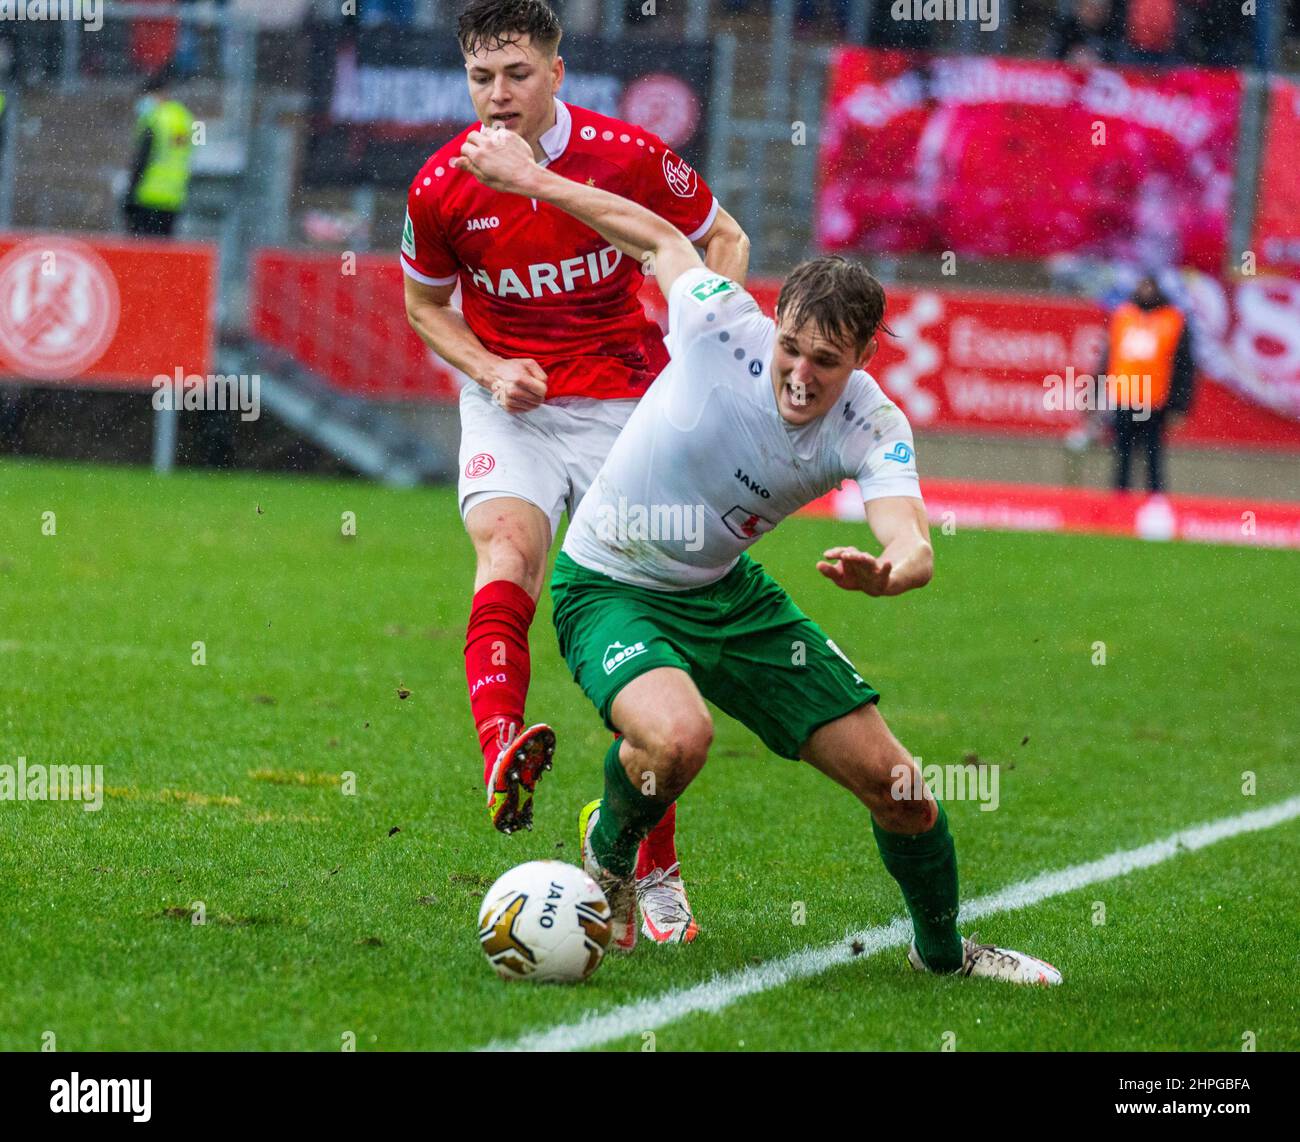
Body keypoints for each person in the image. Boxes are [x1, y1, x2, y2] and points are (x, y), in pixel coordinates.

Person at [451, 124, 1062, 984]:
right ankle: (611, 853)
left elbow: (910, 534)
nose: (801, 375)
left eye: (827, 361)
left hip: (731, 598)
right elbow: (657, 236)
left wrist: (894, 572)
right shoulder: (717, 324)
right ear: (772, 327)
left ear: (864, 357)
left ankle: (943, 957)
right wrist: (530, 179)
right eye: (792, 348)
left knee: (902, 792)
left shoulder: (872, 422)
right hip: (609, 585)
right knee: (679, 739)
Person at [402, 0, 750, 943]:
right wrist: (488, 368)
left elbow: (724, 239)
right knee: (507, 551)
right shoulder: (440, 186)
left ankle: (653, 866)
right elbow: (424, 307)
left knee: (640, 617)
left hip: (623, 404)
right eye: (481, 77)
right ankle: (501, 751)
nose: (498, 94)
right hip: (510, 403)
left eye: (517, 74)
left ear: (557, 73)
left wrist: (703, 357)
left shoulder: (626, 156)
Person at [1099, 274, 1195, 494]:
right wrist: (1098, 391)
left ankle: (1154, 500)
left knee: (1153, 456)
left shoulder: (1172, 319)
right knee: (1122, 455)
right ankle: (1120, 500)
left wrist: (1179, 404)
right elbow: (1109, 357)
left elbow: (1184, 367)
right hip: (1124, 396)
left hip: (1154, 400)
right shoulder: (1124, 315)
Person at [123, 65, 194, 239]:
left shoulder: (154, 118)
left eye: (147, 96)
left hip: (148, 195)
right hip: (174, 198)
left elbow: (142, 159)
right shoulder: (185, 118)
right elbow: (194, 148)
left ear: (158, 94)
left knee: (144, 250)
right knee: (164, 249)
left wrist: (130, 193)